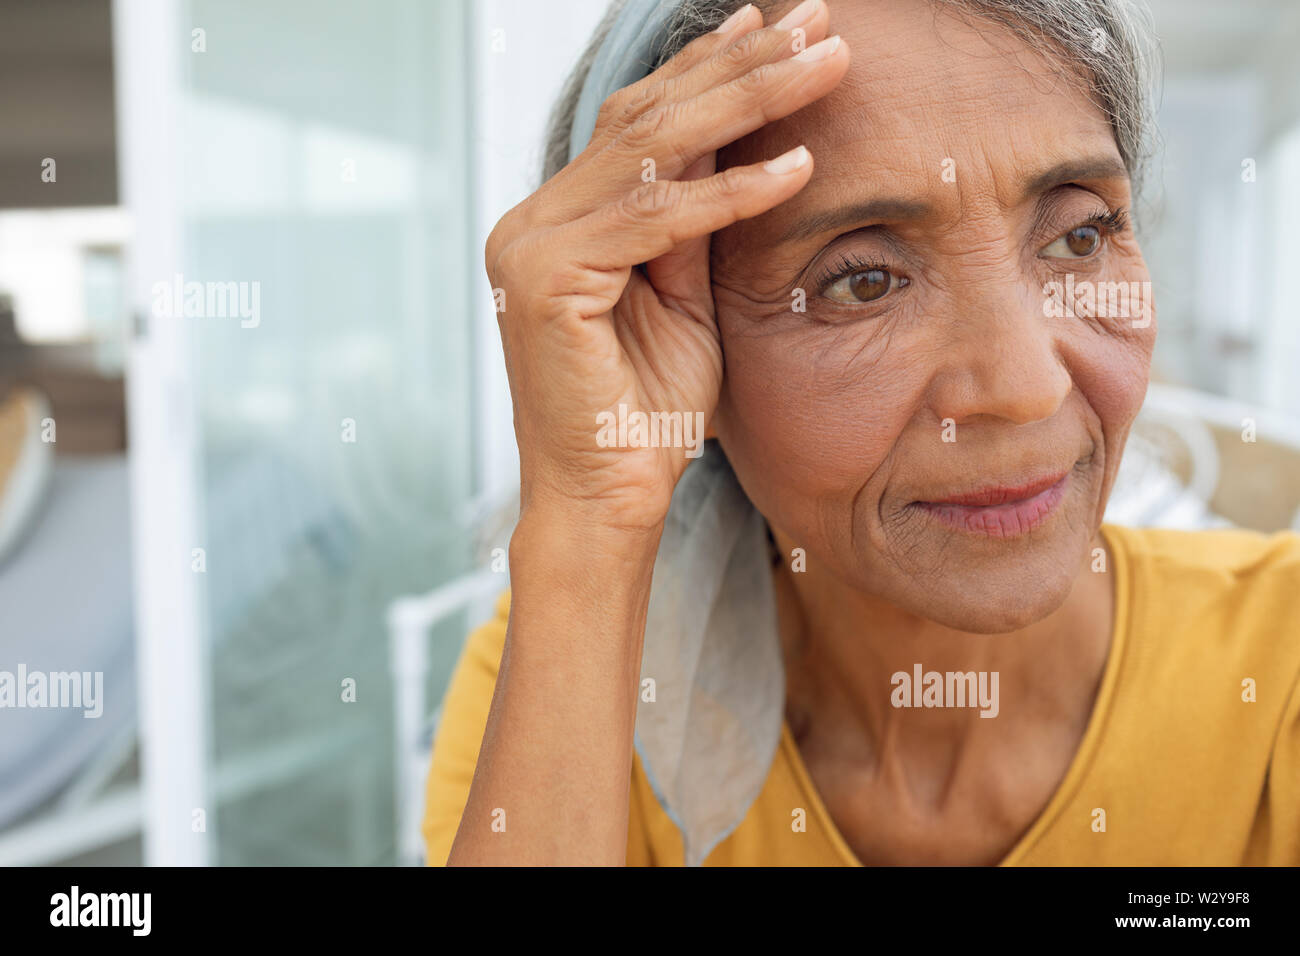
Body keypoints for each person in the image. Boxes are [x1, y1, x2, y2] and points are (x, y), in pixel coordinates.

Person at [424, 0, 1300, 866]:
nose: (1027, 388)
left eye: (1079, 236)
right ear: (670, 342)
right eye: (864, 282)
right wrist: (588, 519)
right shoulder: (570, 687)